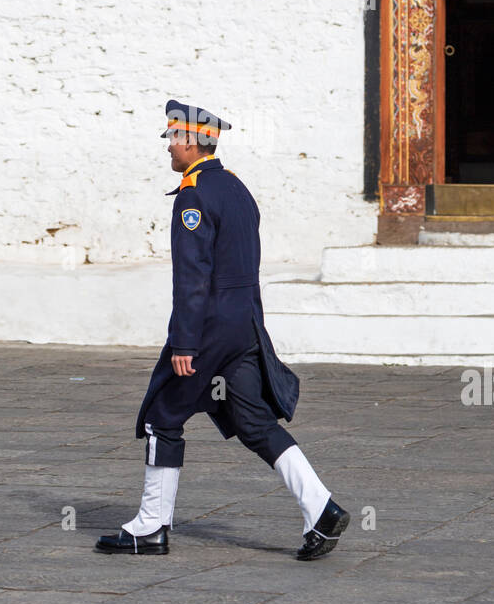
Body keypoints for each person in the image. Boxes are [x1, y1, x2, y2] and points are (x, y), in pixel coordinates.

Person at [96, 100, 349, 561]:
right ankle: (322, 509)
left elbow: (193, 277)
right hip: (244, 323)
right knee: (254, 422)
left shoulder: (194, 196)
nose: (169, 148)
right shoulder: (235, 188)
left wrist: (185, 342)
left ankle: (151, 527)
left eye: (173, 139)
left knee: (162, 416)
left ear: (191, 141)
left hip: (209, 328)